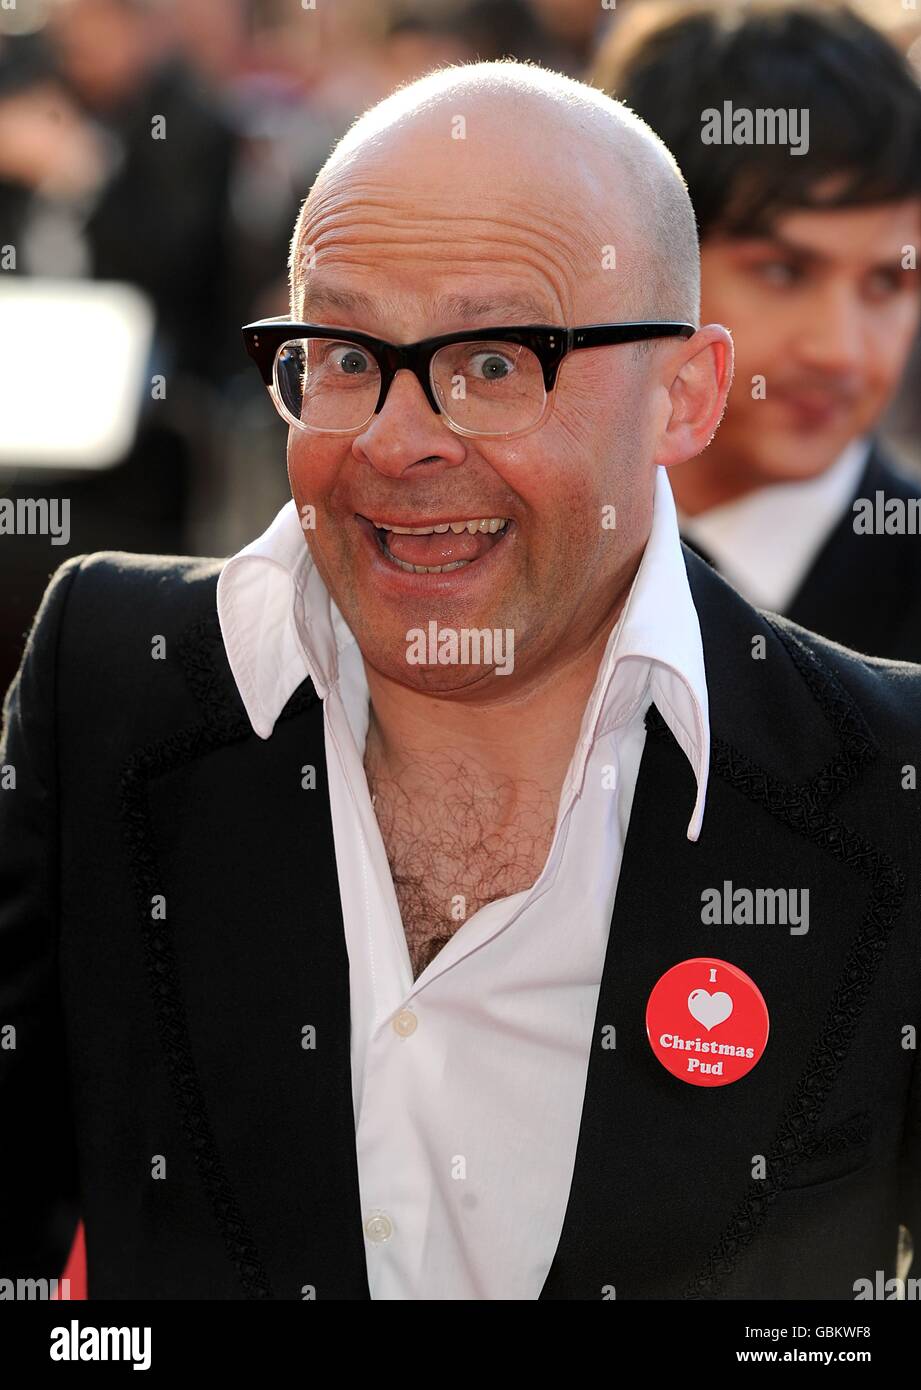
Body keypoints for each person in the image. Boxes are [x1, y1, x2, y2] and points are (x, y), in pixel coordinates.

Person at [1, 59, 919, 1302]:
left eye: (495, 363)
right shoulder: (114, 682)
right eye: (342, 354)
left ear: (686, 396)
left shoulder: (884, 782)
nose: (396, 440)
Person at [591, 0, 921, 661]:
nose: (839, 351)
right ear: (633, 256)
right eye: (782, 272)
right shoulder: (497, 553)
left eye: (887, 282)